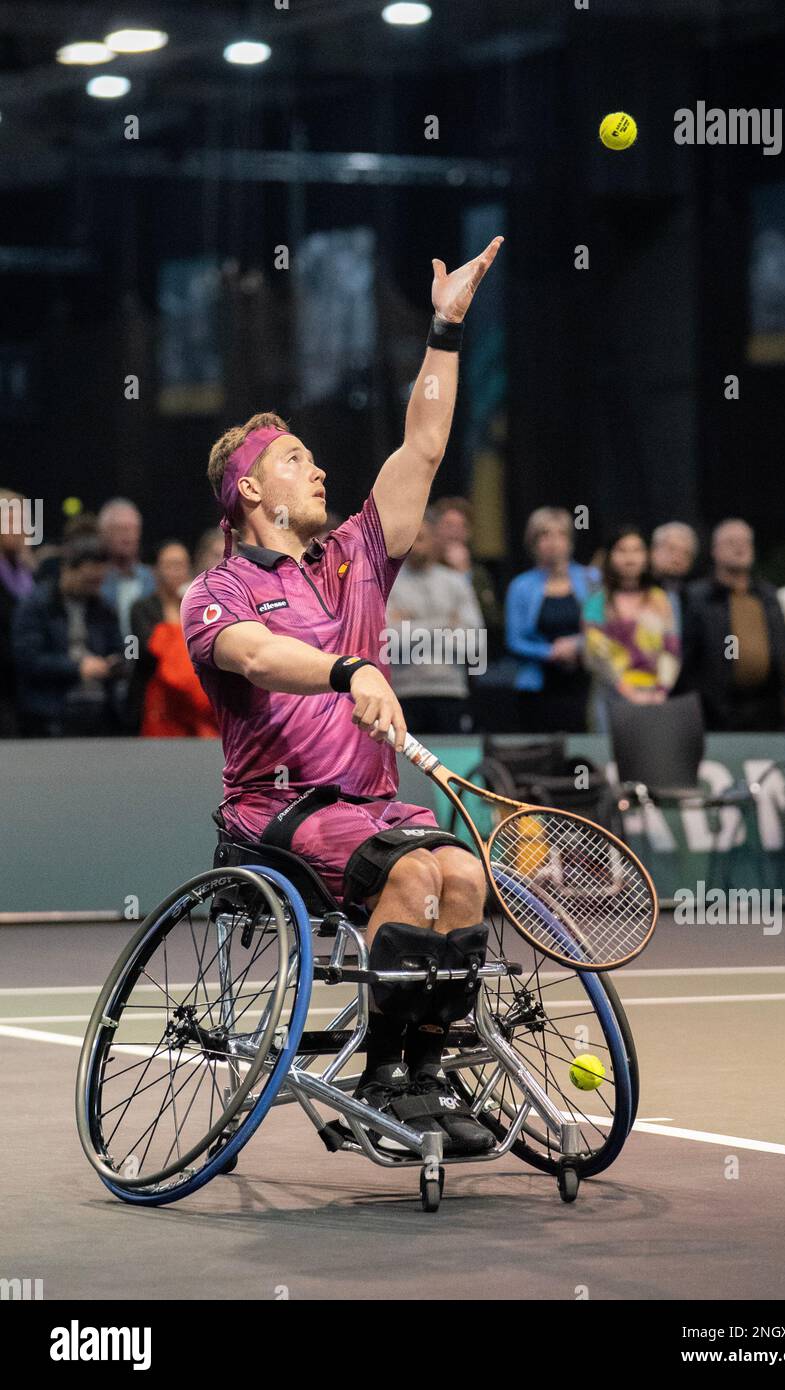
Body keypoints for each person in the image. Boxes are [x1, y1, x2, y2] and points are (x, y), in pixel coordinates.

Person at [181, 235, 504, 1154]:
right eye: (296, 461)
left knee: (462, 872)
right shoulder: (219, 592)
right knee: (412, 874)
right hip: (276, 810)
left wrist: (446, 331)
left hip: (372, 803)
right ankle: (383, 1082)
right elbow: (252, 656)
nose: (318, 470)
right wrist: (346, 669)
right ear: (250, 489)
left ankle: (429, 1067)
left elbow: (426, 444)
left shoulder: (358, 554)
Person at [679, 518, 785, 731]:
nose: (740, 547)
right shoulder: (698, 597)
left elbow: (783, 650)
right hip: (716, 715)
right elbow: (687, 659)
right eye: (731, 542)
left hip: (768, 713)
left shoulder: (767, 596)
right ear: (715, 551)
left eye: (746, 542)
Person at [12, 535, 124, 737]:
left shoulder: (103, 608)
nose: (94, 588)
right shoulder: (35, 606)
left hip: (99, 711)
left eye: (99, 582)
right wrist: (76, 667)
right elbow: (27, 659)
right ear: (67, 569)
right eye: (88, 580)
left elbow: (124, 647)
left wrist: (118, 662)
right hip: (50, 713)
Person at [385, 514, 484, 733]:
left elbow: (474, 644)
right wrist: (446, 623)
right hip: (403, 693)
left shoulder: (457, 583)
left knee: (450, 764)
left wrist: (411, 626)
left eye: (421, 537)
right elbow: (389, 642)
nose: (415, 544)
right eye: (410, 537)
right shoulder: (388, 584)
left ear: (435, 540)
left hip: (451, 692)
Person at [505, 507, 599, 733]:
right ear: (533, 542)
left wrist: (576, 645)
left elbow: (604, 630)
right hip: (537, 687)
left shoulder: (591, 579)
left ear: (570, 540)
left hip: (584, 683)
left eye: (560, 534)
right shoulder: (521, 586)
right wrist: (551, 651)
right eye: (545, 535)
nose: (553, 542)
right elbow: (514, 640)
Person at [582, 525, 680, 732]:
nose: (630, 558)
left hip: (655, 698)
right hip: (611, 699)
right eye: (622, 550)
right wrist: (628, 692)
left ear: (646, 556)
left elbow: (671, 648)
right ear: (609, 556)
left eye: (637, 550)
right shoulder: (596, 601)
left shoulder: (660, 599)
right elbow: (595, 655)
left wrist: (661, 690)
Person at [128, 541, 218, 737]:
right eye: (170, 565)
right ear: (156, 570)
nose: (176, 571)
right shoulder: (142, 608)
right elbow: (144, 651)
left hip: (200, 708)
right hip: (157, 706)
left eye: (181, 565)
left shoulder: (201, 606)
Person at [429, 496, 503, 658]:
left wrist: (463, 576)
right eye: (449, 525)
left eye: (462, 527)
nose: (455, 533)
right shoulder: (423, 570)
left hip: (472, 661)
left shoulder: (478, 575)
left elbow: (491, 623)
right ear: (434, 530)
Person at [0, 487, 36, 736]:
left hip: (21, 687)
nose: (23, 528)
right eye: (14, 520)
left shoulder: (28, 574)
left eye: (25, 520)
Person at [98, 498, 155, 634]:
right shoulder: (94, 580)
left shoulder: (154, 579)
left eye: (132, 529)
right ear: (104, 534)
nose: (127, 536)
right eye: (120, 529)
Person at [650, 521, 699, 636]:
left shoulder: (694, 599)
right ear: (653, 551)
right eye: (671, 549)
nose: (678, 558)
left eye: (686, 553)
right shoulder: (637, 590)